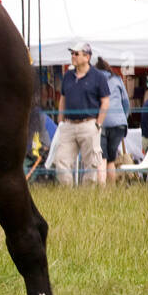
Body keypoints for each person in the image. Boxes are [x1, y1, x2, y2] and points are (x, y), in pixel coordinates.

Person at [51, 41, 110, 186]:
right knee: (60, 160)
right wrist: (61, 121)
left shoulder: (98, 77)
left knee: (91, 164)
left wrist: (98, 123)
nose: (73, 56)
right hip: (69, 125)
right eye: (72, 53)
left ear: (87, 57)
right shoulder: (68, 76)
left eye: (76, 53)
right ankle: (67, 193)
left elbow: (105, 101)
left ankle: (87, 197)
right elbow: (62, 99)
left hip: (89, 124)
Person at [96, 57, 131, 184]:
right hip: (119, 123)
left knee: (102, 157)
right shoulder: (117, 79)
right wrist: (123, 117)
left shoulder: (95, 80)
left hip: (102, 122)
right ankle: (112, 189)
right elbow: (126, 102)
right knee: (111, 159)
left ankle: (103, 189)